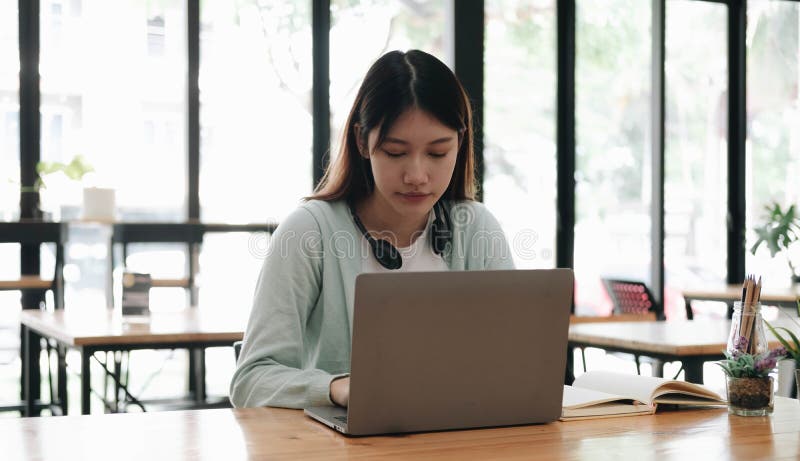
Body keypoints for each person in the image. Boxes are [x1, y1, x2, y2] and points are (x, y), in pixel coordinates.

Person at [230, 49, 514, 409]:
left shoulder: (476, 228)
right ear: (363, 141)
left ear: (460, 143)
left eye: (438, 153)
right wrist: (336, 388)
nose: (417, 175)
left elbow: (513, 364)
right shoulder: (309, 231)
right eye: (395, 152)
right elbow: (250, 381)